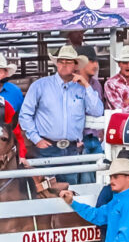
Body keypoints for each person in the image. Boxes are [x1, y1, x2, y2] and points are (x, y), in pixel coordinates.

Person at [19, 45, 104, 184]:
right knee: (45, 192)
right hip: (46, 148)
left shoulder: (82, 88)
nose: (64, 65)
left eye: (68, 62)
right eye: (61, 61)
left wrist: (87, 86)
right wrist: (36, 139)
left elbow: (97, 111)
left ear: (75, 65)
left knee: (70, 192)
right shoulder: (40, 85)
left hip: (71, 148)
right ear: (57, 64)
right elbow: (25, 114)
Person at [76, 45, 105, 172]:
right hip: (78, 140)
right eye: (91, 61)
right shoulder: (71, 85)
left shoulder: (96, 84)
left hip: (94, 137)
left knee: (97, 175)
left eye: (96, 61)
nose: (95, 65)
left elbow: (98, 111)